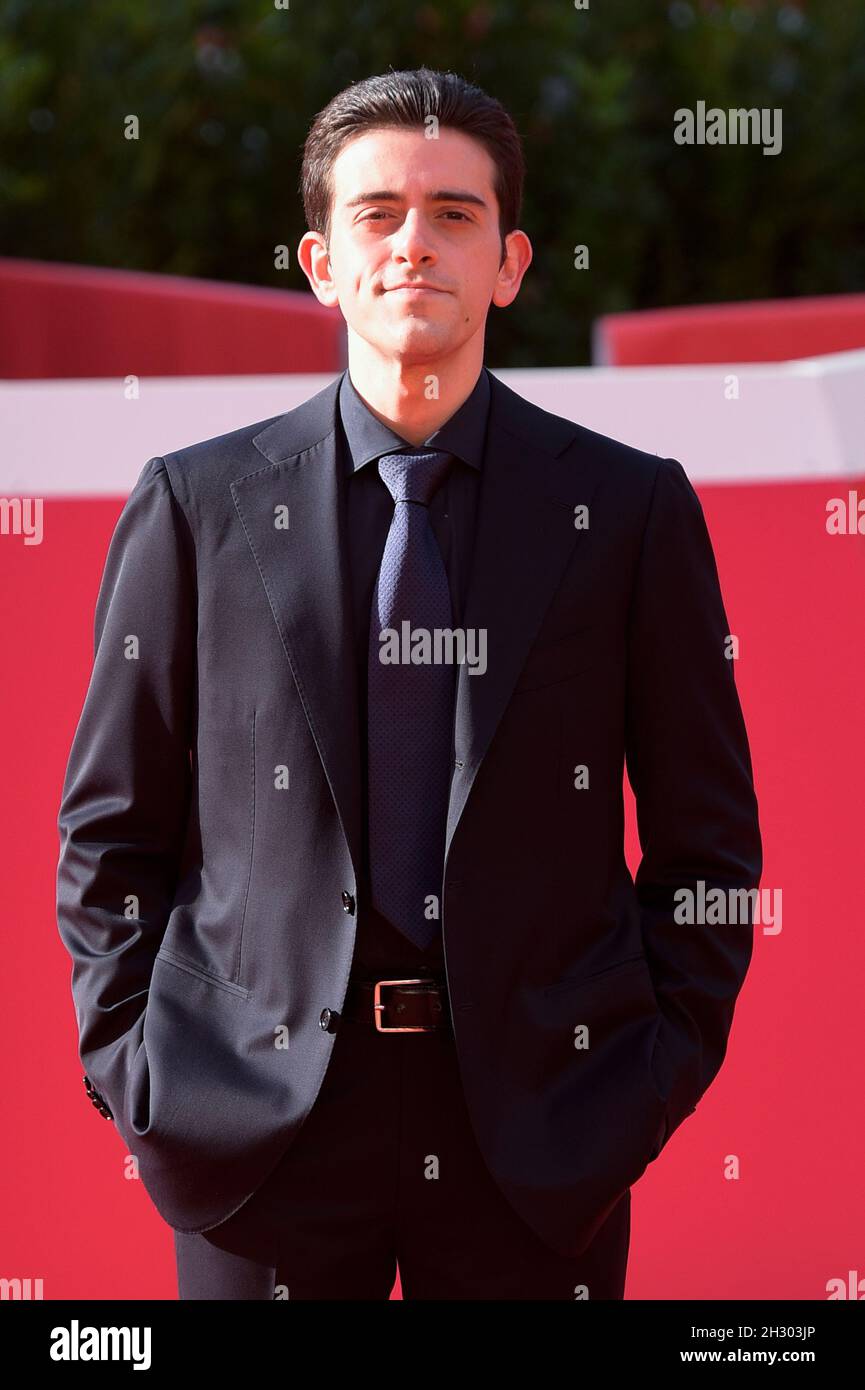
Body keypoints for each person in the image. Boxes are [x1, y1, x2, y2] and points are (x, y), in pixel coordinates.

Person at [56, 66, 762, 1300]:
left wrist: (640, 1084)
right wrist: (145, 1077)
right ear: (321, 262)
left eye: (453, 214)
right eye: (376, 213)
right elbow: (108, 834)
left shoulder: (630, 508)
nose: (413, 245)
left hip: (539, 1132)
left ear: (511, 261)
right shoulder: (195, 503)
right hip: (256, 1130)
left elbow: (709, 847)